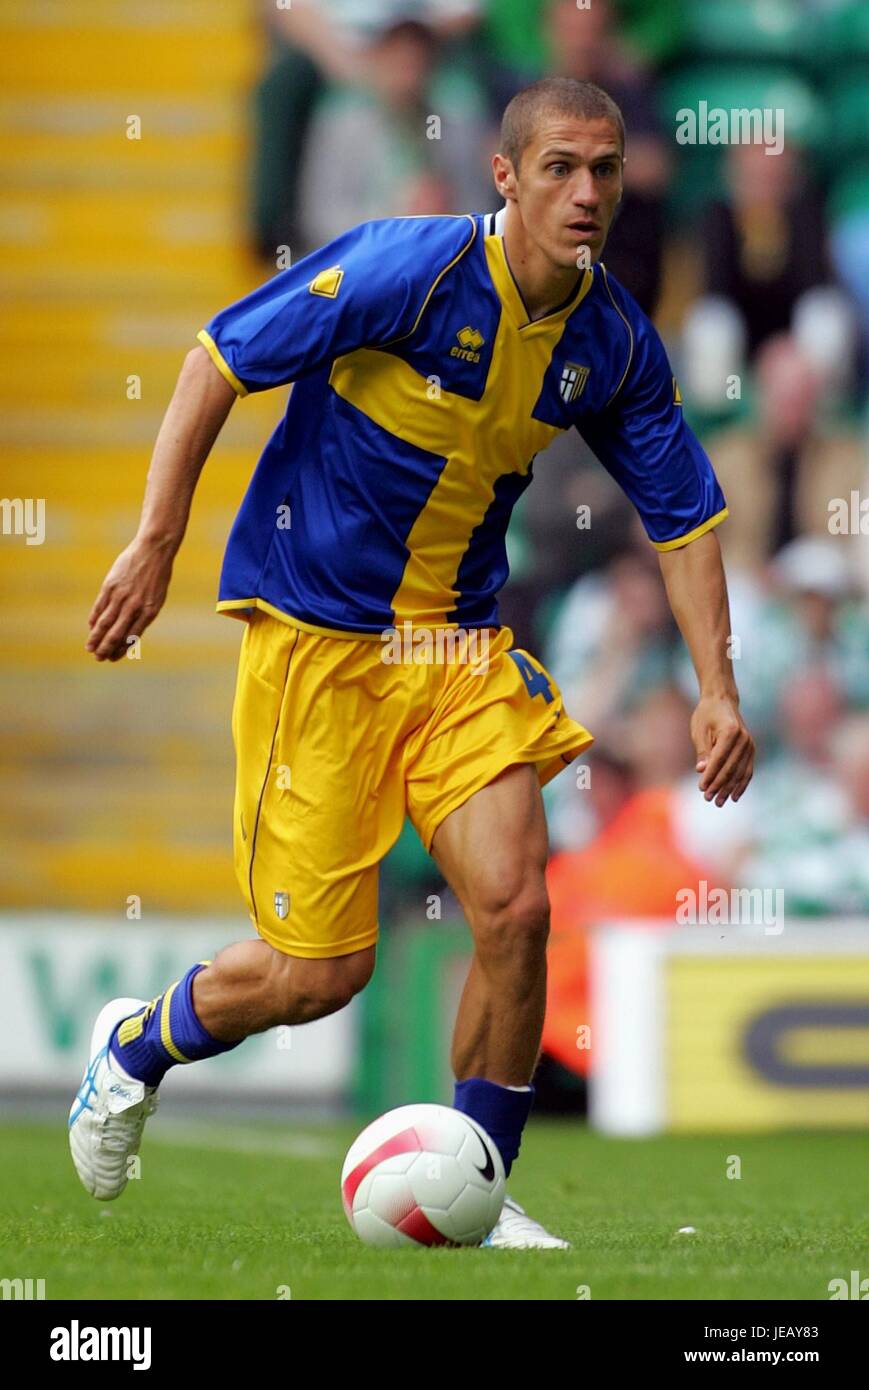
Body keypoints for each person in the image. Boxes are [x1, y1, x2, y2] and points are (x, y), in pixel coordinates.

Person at [70, 76, 754, 1249]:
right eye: (558, 168)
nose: (585, 192)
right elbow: (216, 358)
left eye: (602, 169)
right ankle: (136, 1046)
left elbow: (681, 513)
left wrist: (717, 687)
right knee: (314, 975)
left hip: (458, 651)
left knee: (516, 903)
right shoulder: (405, 270)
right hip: (318, 650)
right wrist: (155, 542)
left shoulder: (608, 342)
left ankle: (480, 1181)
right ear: (505, 177)